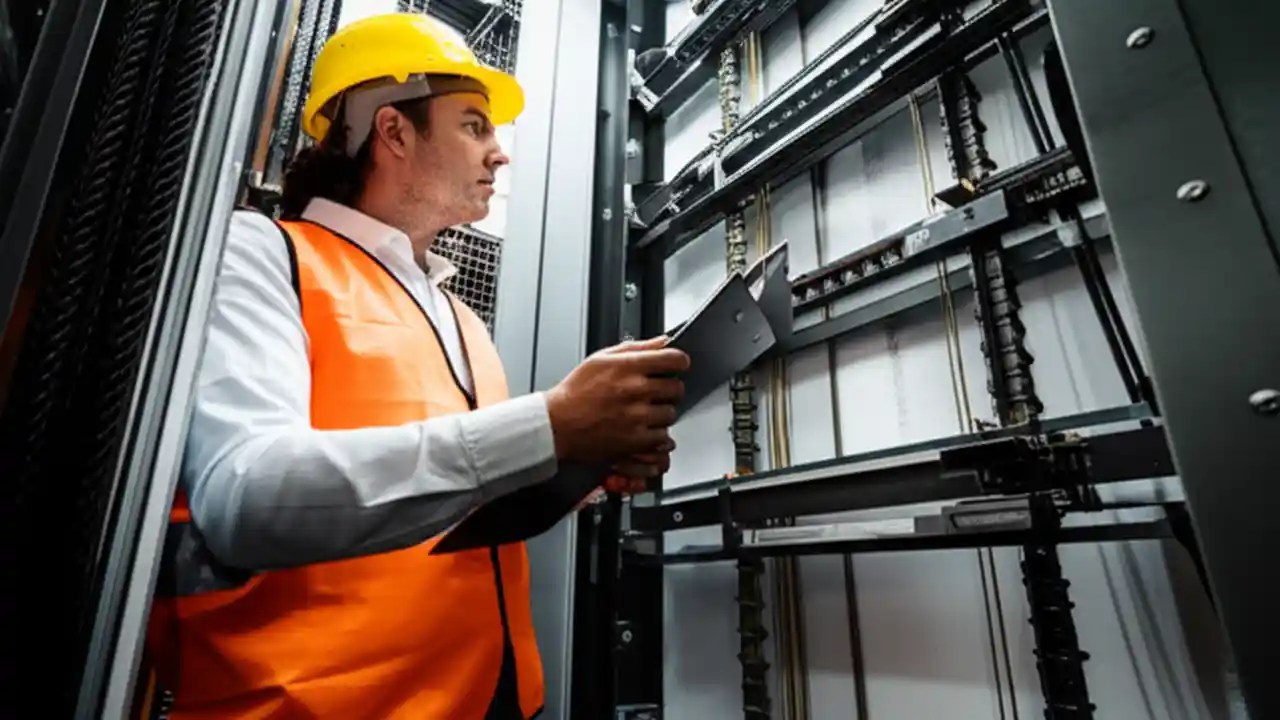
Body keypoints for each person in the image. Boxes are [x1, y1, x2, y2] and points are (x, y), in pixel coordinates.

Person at [143, 13, 689, 719]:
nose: (499, 155)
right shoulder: (264, 254)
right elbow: (244, 499)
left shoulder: (459, 316)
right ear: (394, 131)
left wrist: (572, 463)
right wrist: (547, 426)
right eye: (473, 125)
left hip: (487, 700)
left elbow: (456, 495)